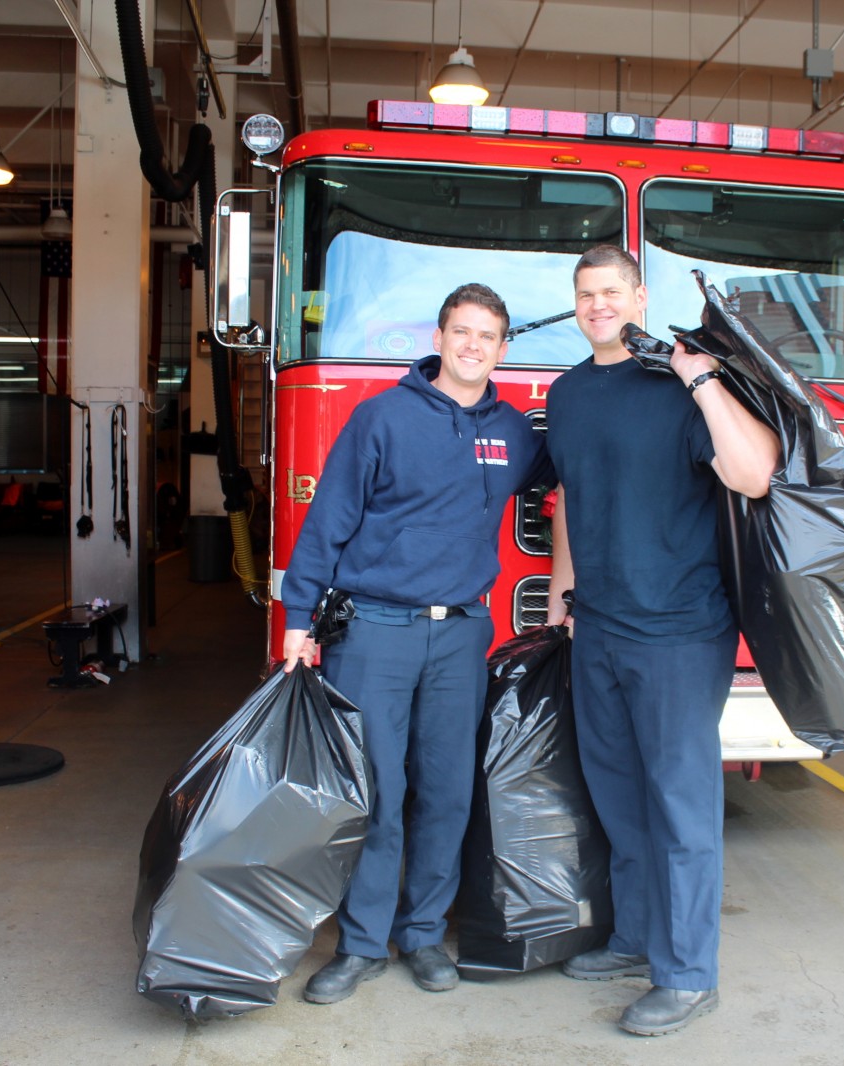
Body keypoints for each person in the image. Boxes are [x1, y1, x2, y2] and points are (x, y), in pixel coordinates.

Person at [280, 283, 550, 1005]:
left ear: (502, 348)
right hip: (374, 632)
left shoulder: (515, 434)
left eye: (487, 336)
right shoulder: (381, 419)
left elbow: (585, 471)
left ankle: (424, 933)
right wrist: (298, 621)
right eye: (461, 332)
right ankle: (363, 943)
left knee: (446, 791)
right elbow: (327, 522)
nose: (472, 346)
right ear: (439, 336)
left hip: (461, 636)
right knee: (376, 793)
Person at [544, 245, 779, 1037]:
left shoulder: (681, 386)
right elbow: (573, 499)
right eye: (586, 293)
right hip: (599, 626)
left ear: (639, 296)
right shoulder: (569, 393)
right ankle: (637, 939)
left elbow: (754, 474)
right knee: (619, 798)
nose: (598, 304)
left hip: (680, 632)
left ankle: (687, 975)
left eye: (612, 291)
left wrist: (702, 379)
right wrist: (561, 599)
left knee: (680, 808)